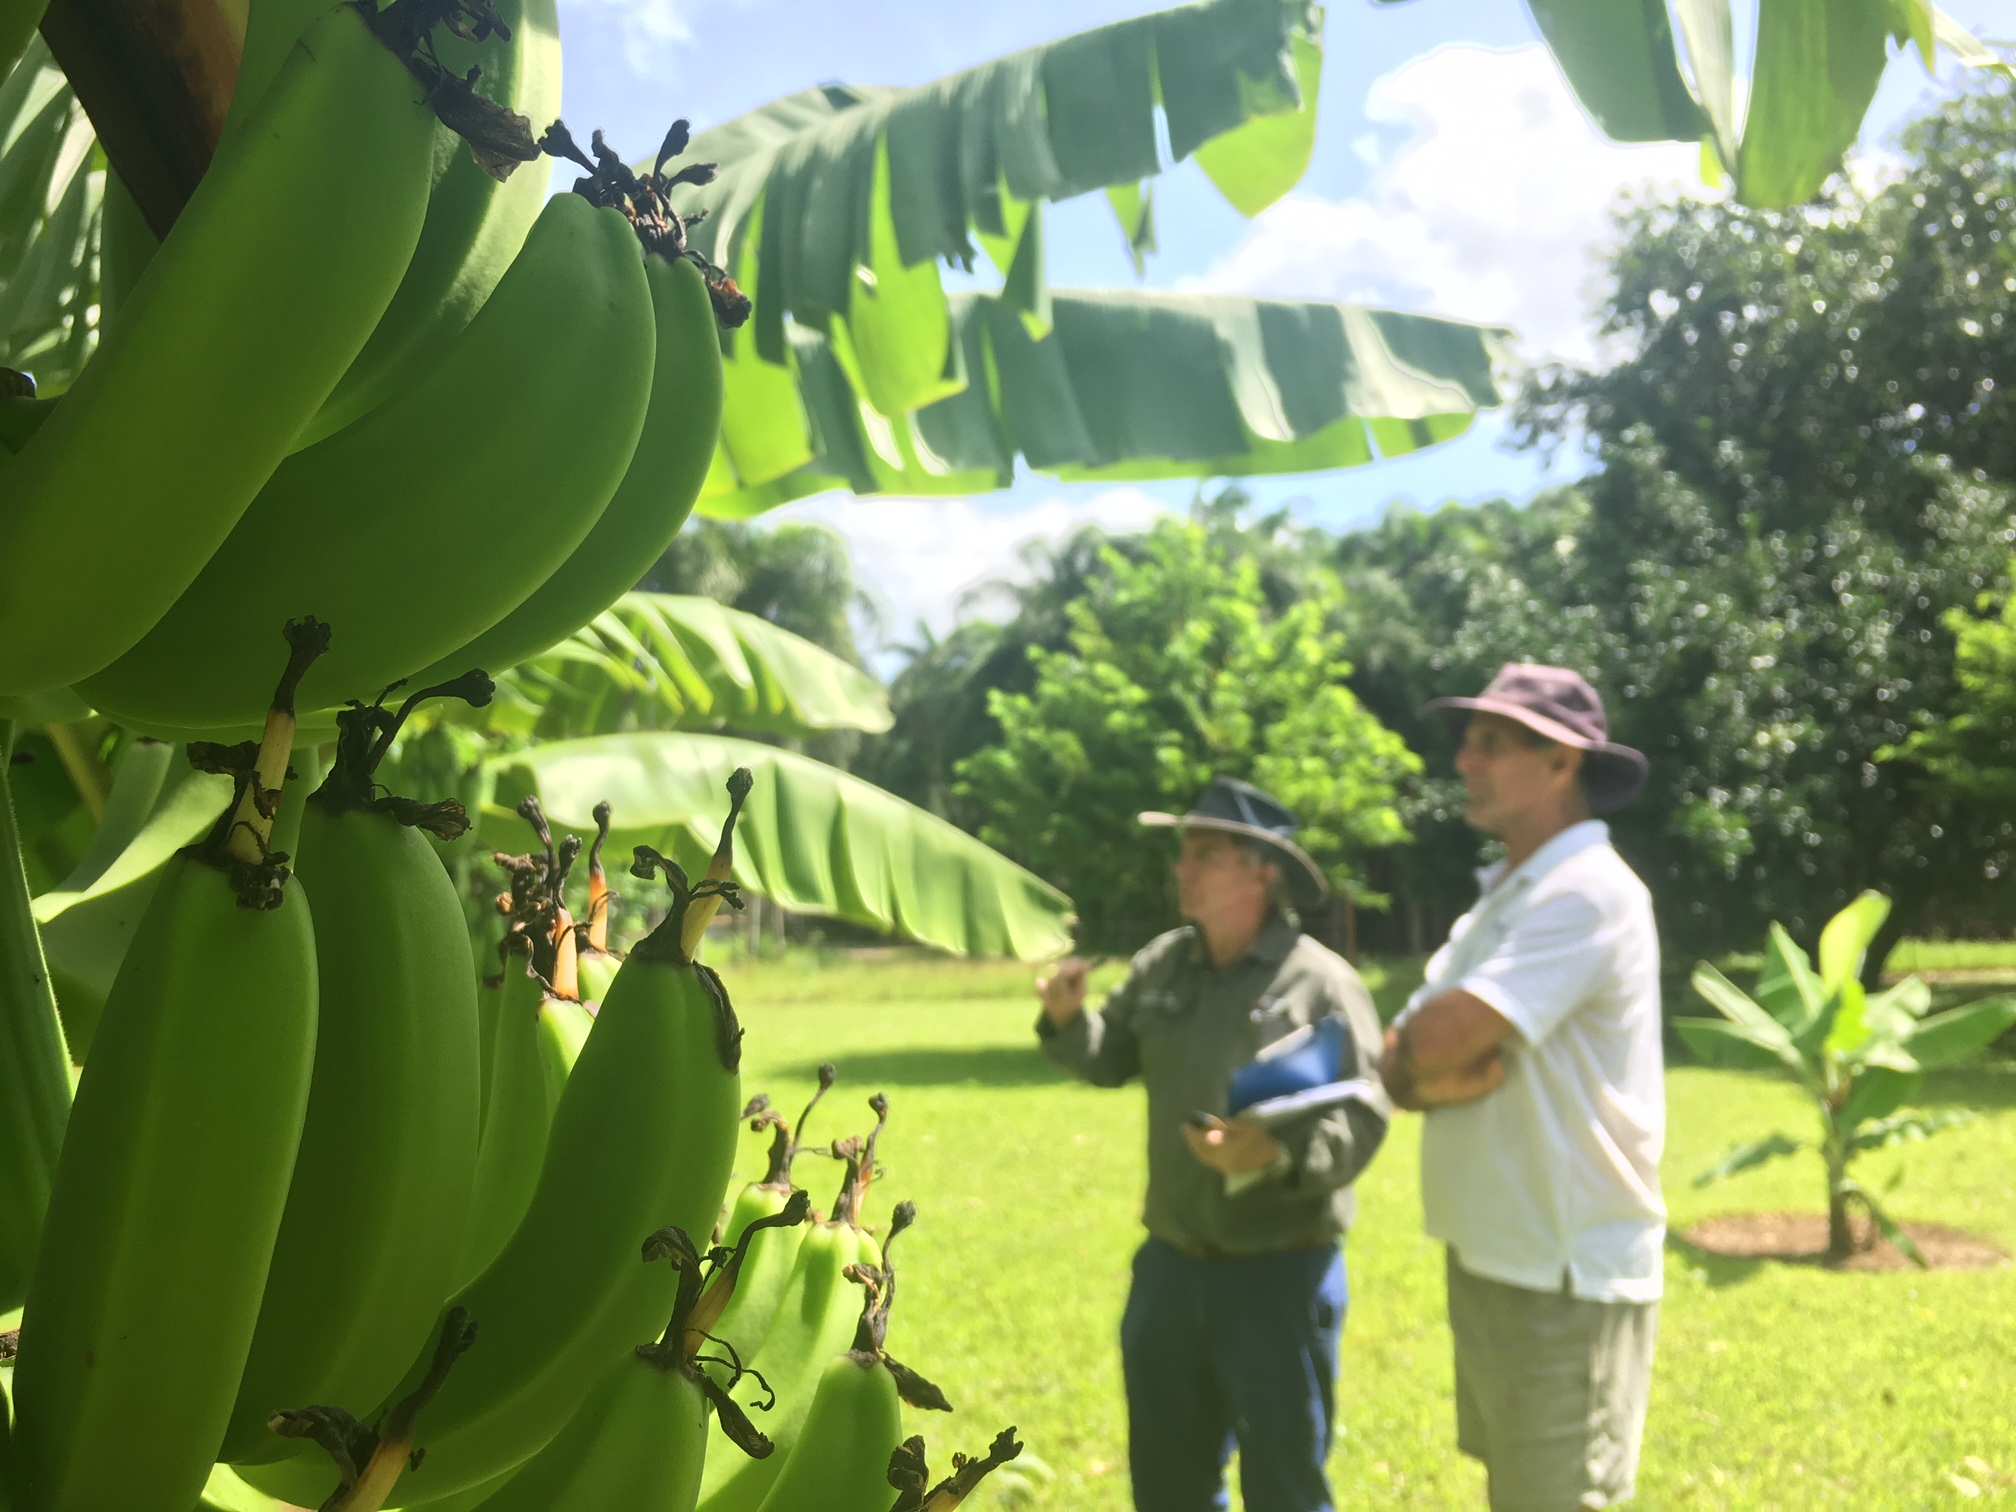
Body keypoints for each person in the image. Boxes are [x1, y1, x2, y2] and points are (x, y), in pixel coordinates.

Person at [1035, 776, 1390, 1512]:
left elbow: (1363, 1117)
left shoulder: (1321, 984)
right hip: (1170, 1271)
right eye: (1183, 853)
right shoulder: (1164, 962)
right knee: (1168, 1487)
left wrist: (1276, 1155)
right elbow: (1110, 1058)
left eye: (1203, 853)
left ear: (1263, 871)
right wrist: (1070, 1022)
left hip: (1280, 1278)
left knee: (1286, 1489)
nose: (1182, 868)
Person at [1381, 663, 1664, 1510]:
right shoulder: (1501, 899)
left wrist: (1420, 1063)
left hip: (1564, 1272)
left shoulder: (1585, 893)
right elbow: (1409, 1057)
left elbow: (1433, 1038)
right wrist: (1418, 1070)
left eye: (1492, 743)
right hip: (1498, 1257)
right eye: (1468, 742)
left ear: (1563, 762)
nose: (1466, 761)